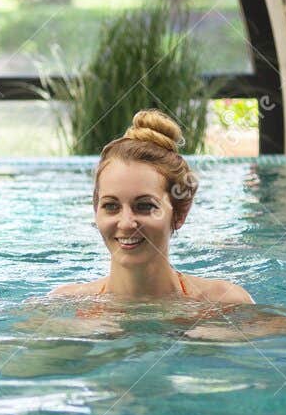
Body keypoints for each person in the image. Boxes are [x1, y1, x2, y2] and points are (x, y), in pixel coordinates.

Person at [50, 109, 252, 304]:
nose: (127, 223)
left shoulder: (224, 304)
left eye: (145, 206)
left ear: (179, 213)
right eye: (111, 206)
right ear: (96, 211)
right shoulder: (64, 307)